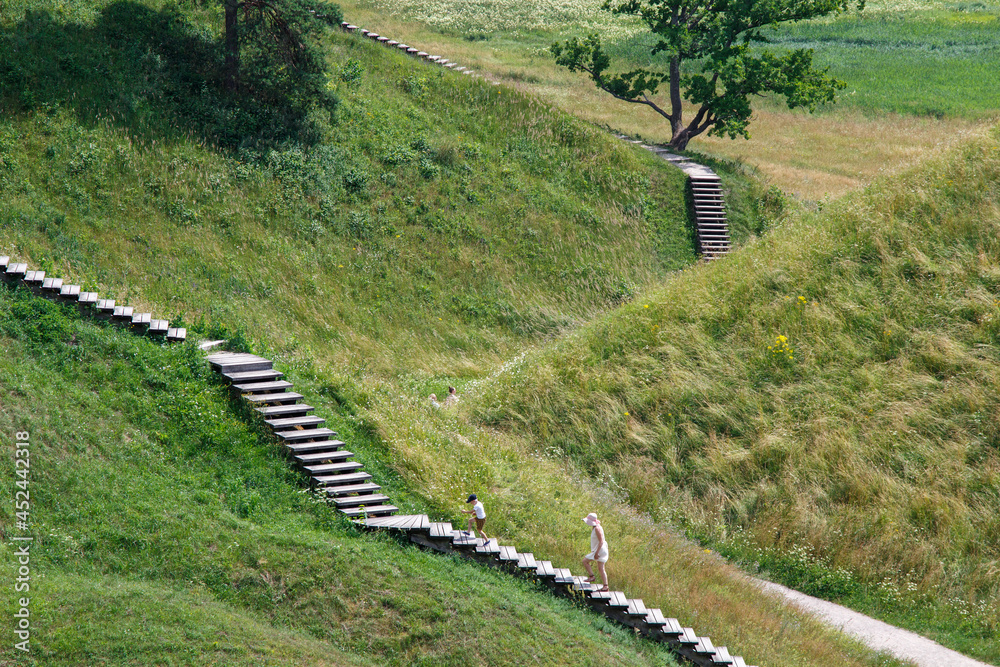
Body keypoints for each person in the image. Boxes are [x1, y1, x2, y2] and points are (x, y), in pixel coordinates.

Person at [582, 512, 609, 592]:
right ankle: (605, 586)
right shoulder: (596, 527)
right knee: (601, 568)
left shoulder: (597, 528)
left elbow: (601, 541)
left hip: (600, 550)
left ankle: (592, 576)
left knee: (585, 561)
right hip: (600, 549)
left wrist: (597, 553)